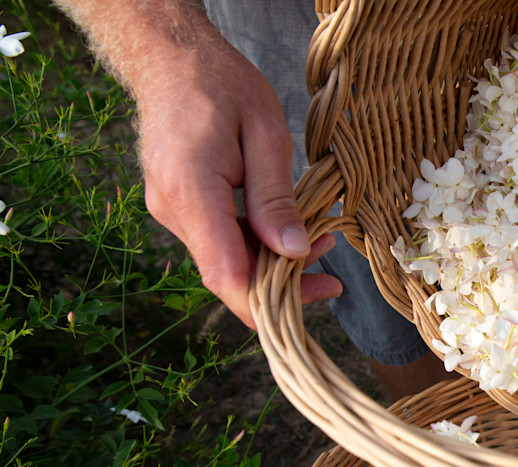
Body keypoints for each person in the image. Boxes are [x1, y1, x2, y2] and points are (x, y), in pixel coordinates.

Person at [55, 0, 454, 400]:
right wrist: (168, 52)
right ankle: (449, 437)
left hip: (480, 31)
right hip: (298, 29)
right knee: (381, 284)